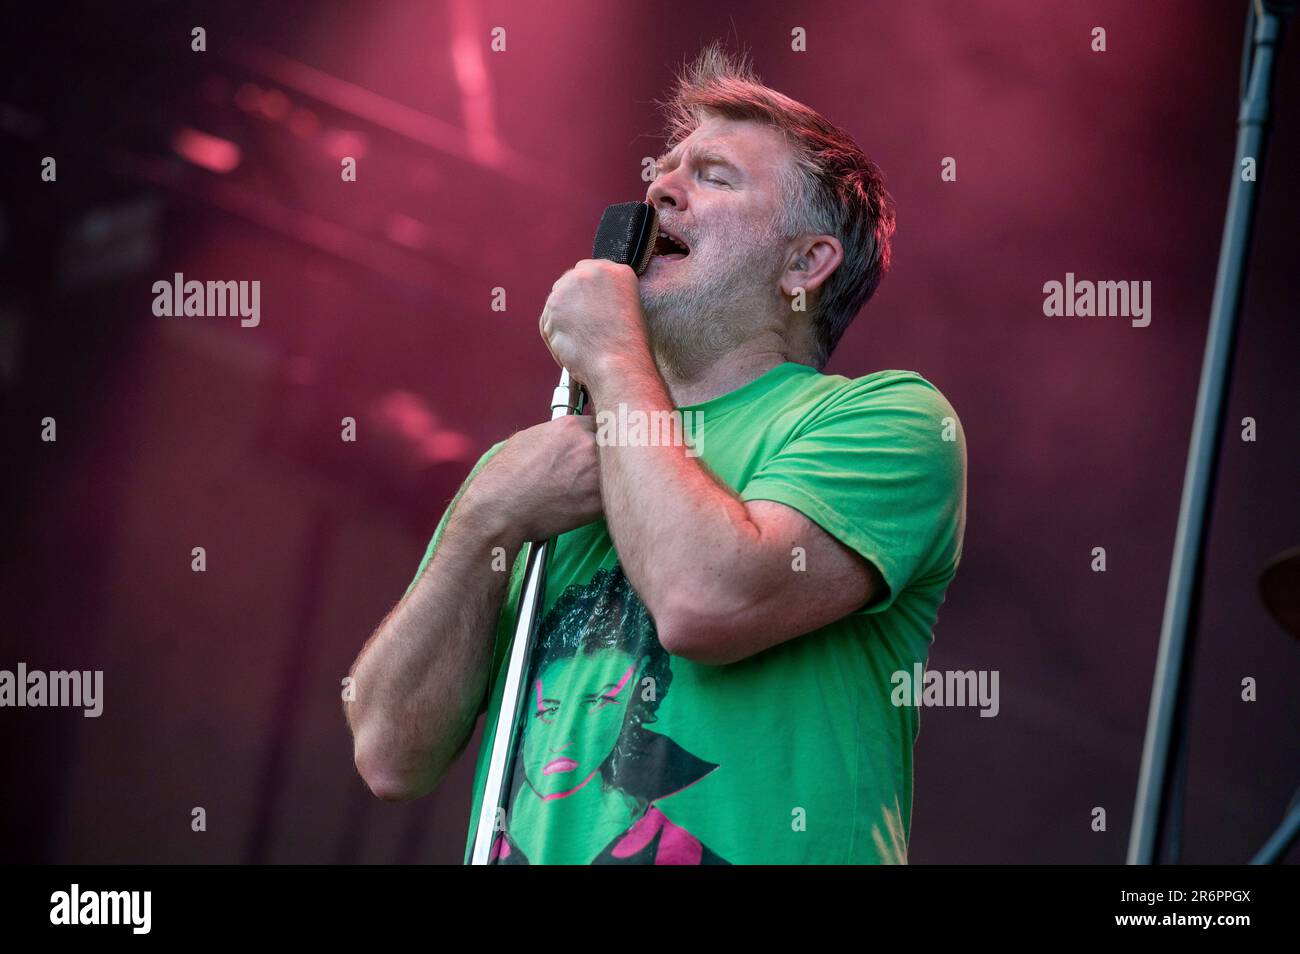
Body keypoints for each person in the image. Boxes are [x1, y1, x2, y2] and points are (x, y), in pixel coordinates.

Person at [345, 44, 967, 865]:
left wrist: (611, 358)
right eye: (665, 168)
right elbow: (391, 754)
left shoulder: (889, 420)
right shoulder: (541, 464)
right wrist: (486, 517)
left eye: (713, 176)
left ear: (805, 265)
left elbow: (704, 602)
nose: (660, 187)